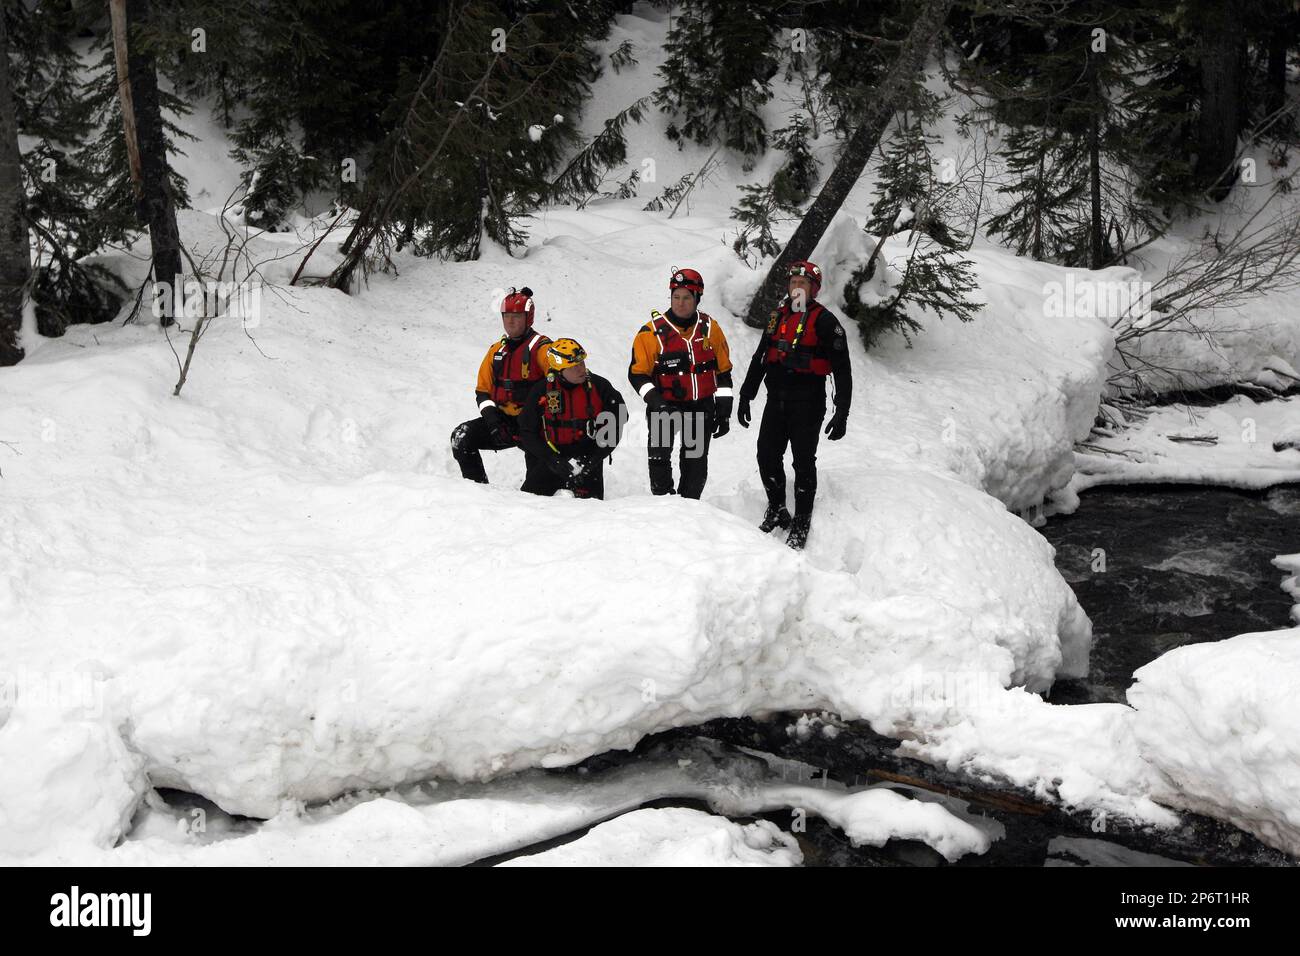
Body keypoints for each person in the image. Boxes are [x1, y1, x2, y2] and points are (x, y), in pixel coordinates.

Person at [738, 260, 852, 550]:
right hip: (775, 401)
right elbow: (761, 356)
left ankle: (802, 522)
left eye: (803, 284)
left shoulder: (826, 322)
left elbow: (842, 369)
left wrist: (842, 411)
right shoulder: (777, 316)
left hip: (808, 402)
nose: (797, 288)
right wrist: (746, 395)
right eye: (793, 283)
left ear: (814, 289)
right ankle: (777, 507)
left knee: (803, 463)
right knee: (766, 455)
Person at [628, 267, 733, 498]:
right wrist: (657, 402)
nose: (680, 303)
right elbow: (637, 374)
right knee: (659, 458)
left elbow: (723, 371)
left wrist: (724, 410)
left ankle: (689, 508)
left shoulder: (710, 328)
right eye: (676, 297)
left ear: (697, 299)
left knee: (695, 464)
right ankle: (664, 504)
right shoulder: (651, 333)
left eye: (686, 297)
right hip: (664, 406)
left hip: (699, 407)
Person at [450, 287, 551, 484]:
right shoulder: (496, 351)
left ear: (528, 318)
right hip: (504, 423)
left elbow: (559, 385)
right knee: (461, 437)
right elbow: (482, 391)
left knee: (536, 490)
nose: (510, 321)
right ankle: (478, 489)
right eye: (506, 316)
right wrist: (493, 421)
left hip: (536, 426)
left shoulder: (543, 349)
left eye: (517, 316)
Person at [518, 338, 625, 499]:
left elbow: (619, 419)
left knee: (591, 511)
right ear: (559, 369)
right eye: (574, 366)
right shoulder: (542, 390)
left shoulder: (599, 386)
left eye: (582, 363)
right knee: (526, 503)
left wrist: (594, 459)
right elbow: (527, 431)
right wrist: (551, 460)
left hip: (588, 458)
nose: (581, 368)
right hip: (553, 458)